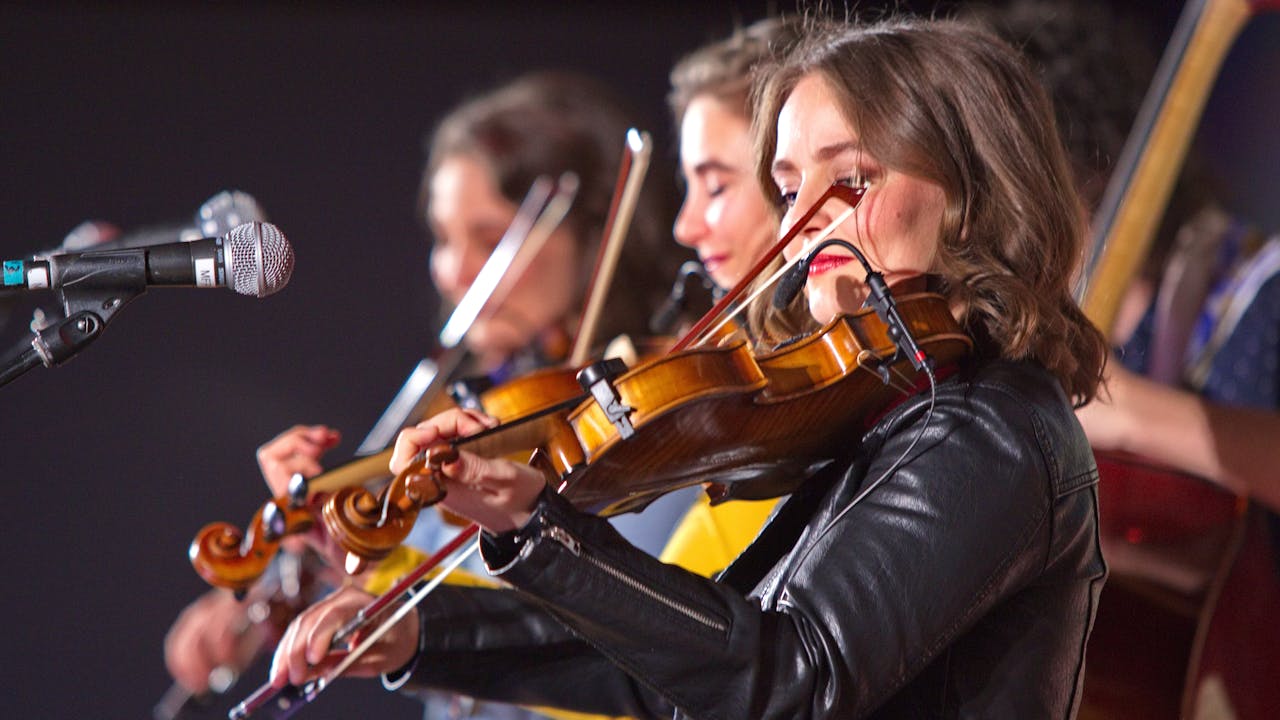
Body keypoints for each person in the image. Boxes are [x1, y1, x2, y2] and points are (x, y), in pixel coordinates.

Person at [269, 15, 1109, 719]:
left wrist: (541, 528)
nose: (802, 224)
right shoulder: (897, 414)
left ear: (972, 187)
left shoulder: (991, 427)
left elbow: (791, 681)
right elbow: (675, 671)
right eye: (788, 190)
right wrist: (426, 632)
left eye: (851, 177)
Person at [164, 71, 682, 718]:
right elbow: (428, 583)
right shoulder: (468, 408)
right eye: (444, 238)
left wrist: (374, 577)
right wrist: (280, 583)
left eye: (492, 240)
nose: (456, 271)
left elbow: (594, 641)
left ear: (596, 232)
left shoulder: (655, 407)